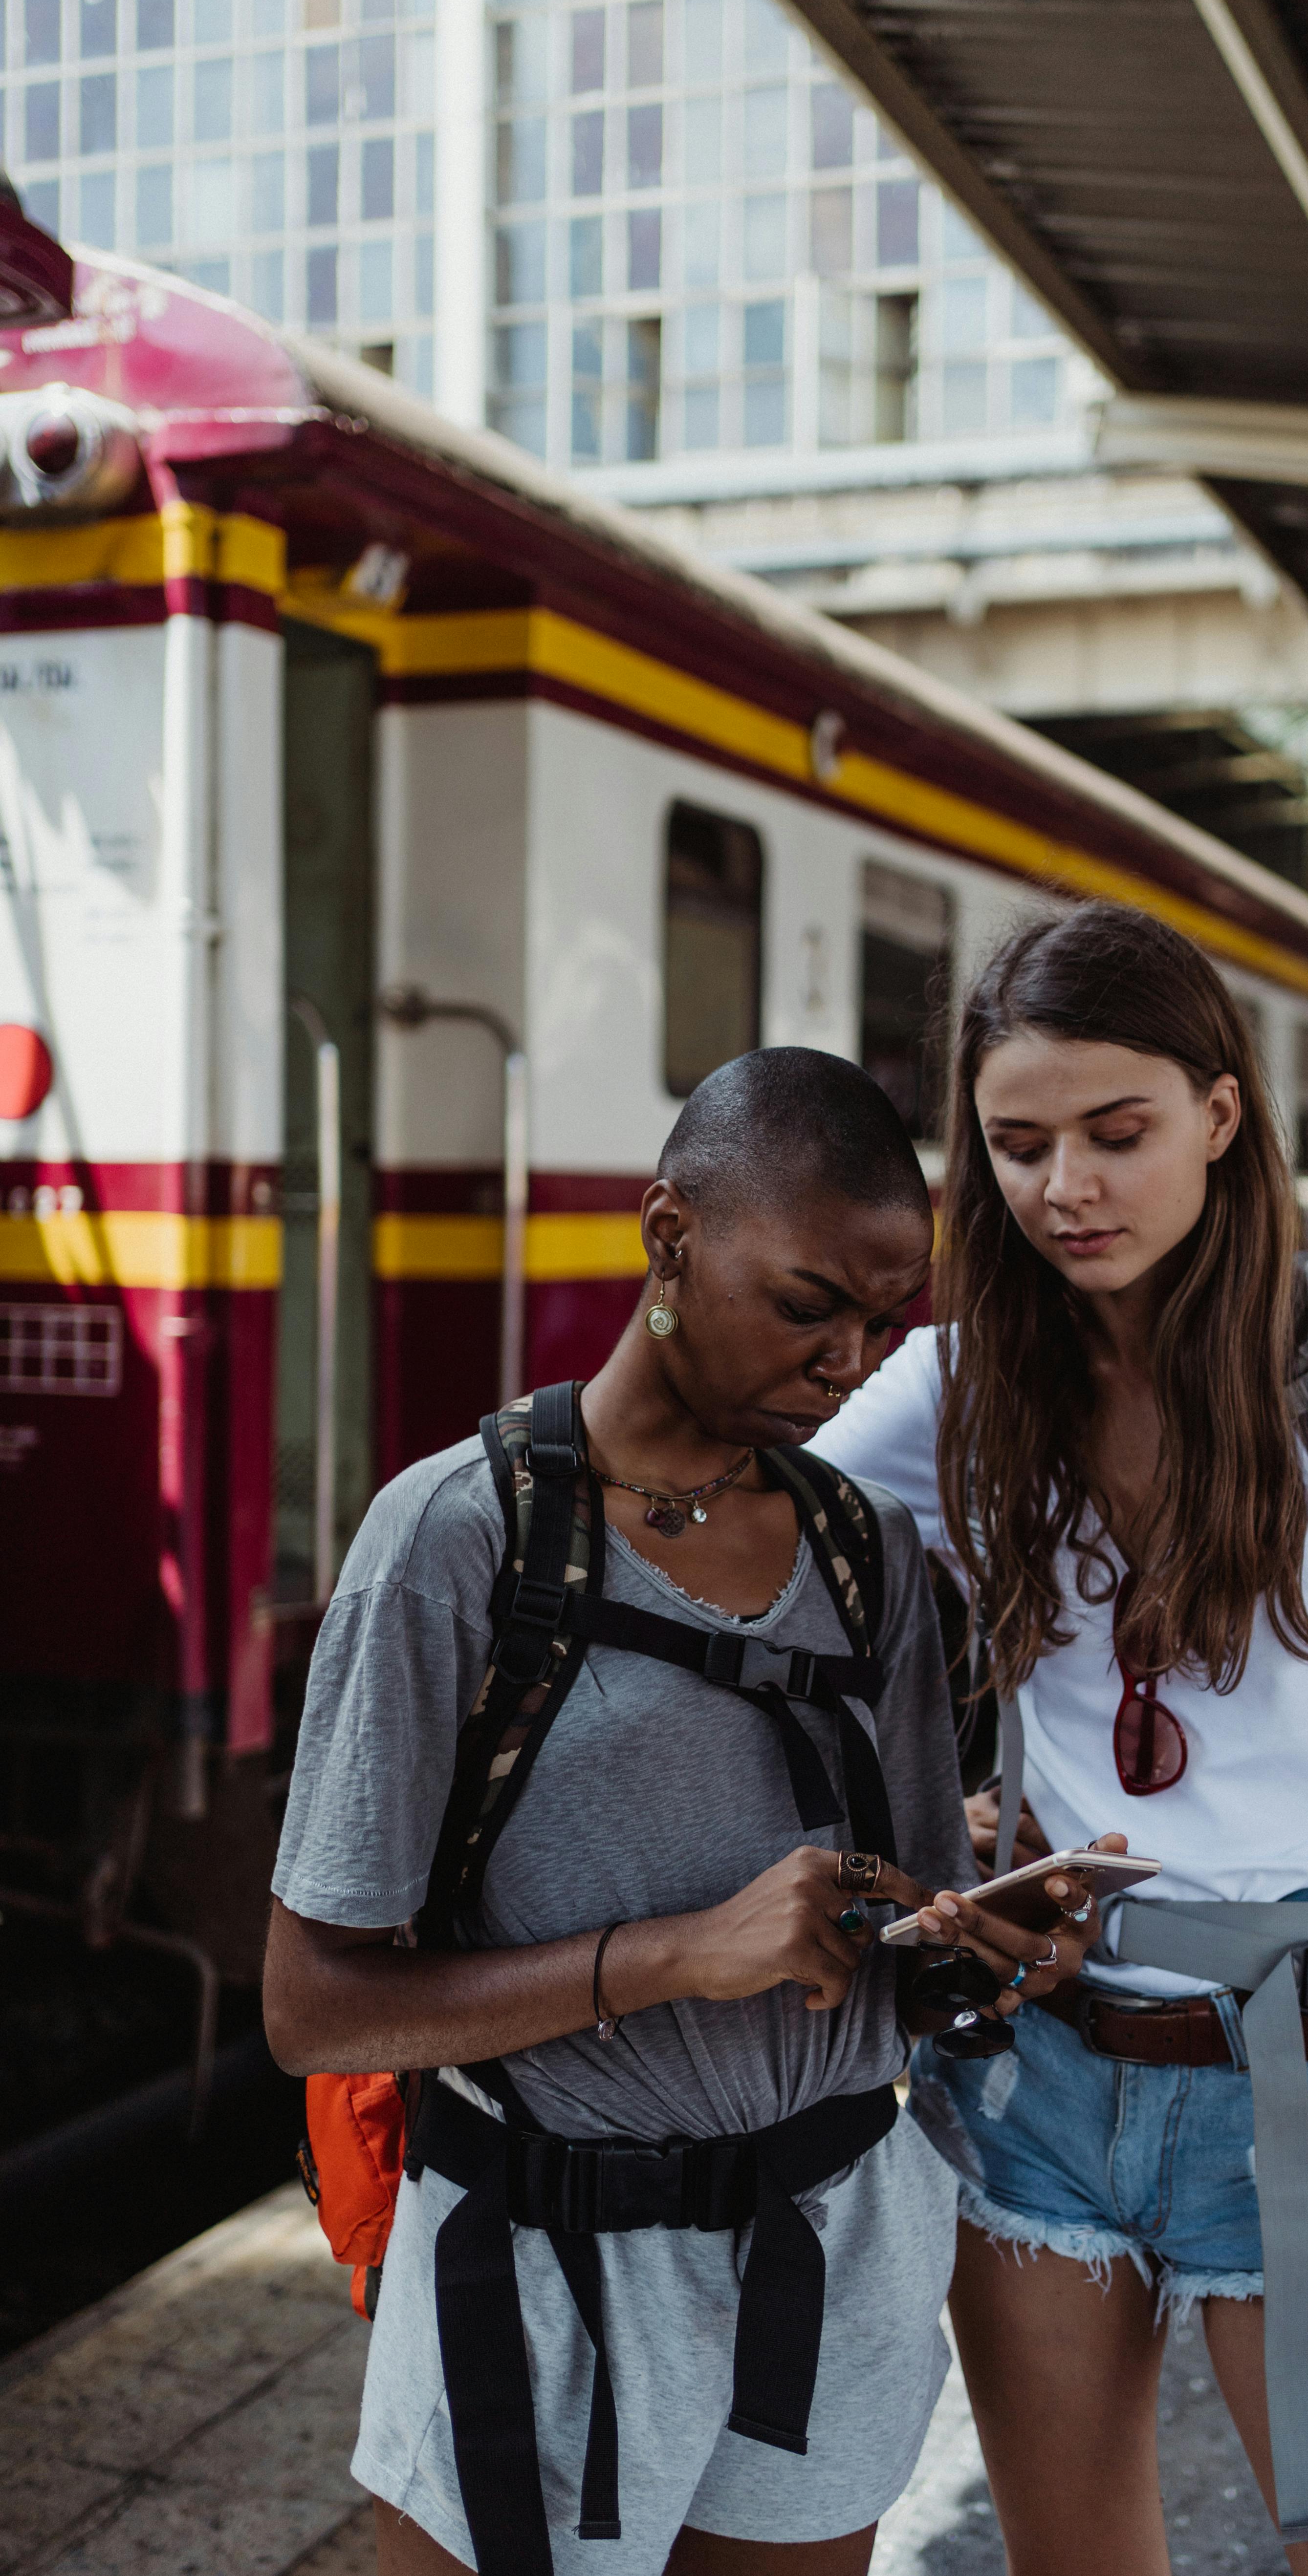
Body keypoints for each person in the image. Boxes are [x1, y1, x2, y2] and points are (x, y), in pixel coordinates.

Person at [814, 904, 1308, 2574]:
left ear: (1222, 1116)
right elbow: (740, 1530)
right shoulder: (961, 1394)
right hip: (1037, 2083)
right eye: (1017, 1145)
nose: (1065, 1185)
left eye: (1116, 1133)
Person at [263, 1047, 1066, 2576]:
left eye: (882, 1324)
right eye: (808, 1302)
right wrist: (680, 1952)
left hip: (825, 2256)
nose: (847, 1363)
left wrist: (984, 1940)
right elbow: (313, 2005)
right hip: (546, 2275)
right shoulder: (457, 1541)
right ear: (669, 1234)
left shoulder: (869, 1557)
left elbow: (892, 1935)